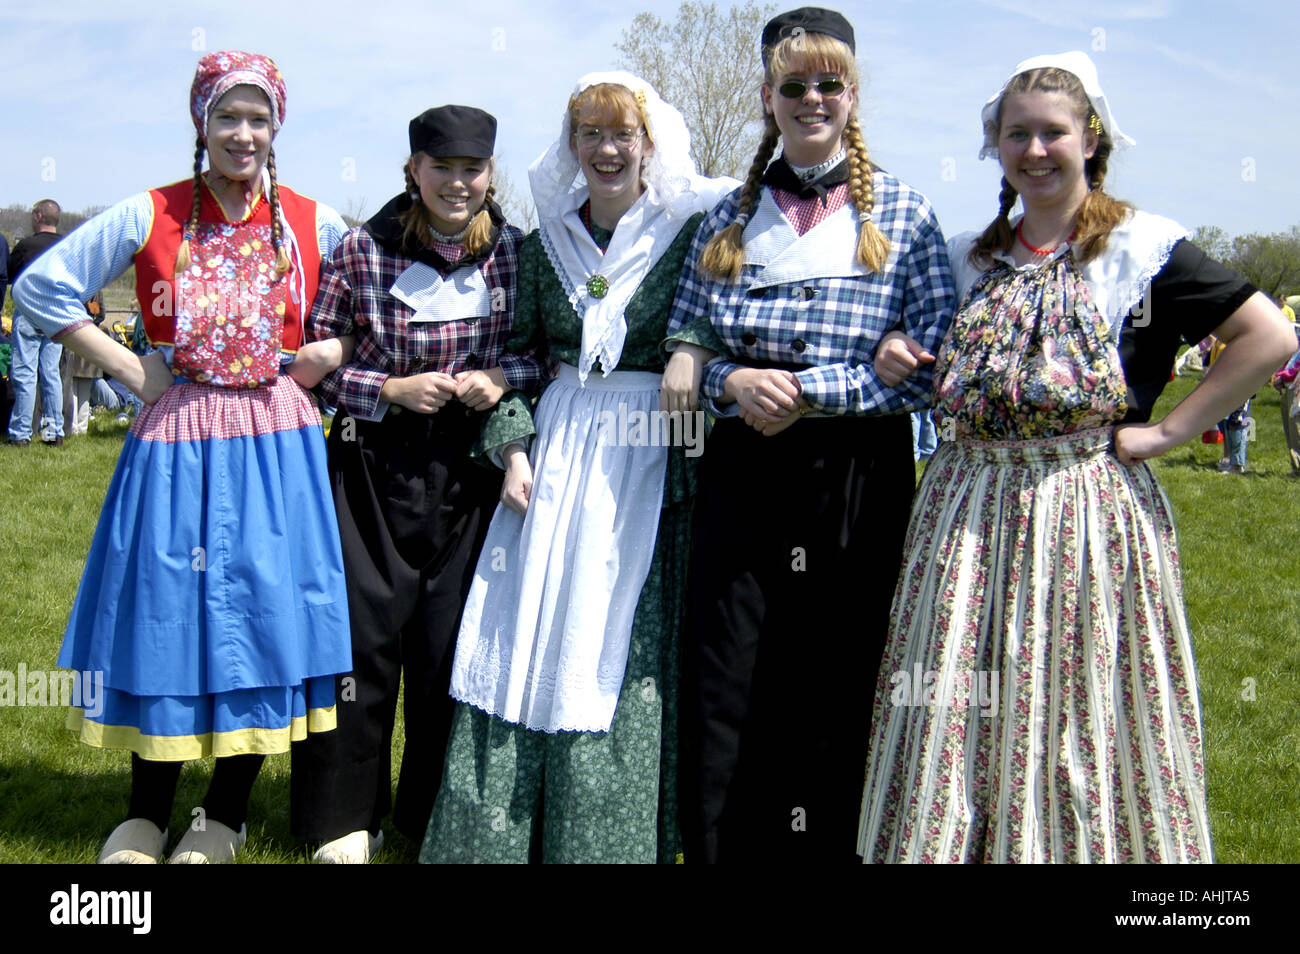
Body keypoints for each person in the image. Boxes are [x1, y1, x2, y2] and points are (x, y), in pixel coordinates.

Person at [859, 51, 1296, 863]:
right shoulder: (965, 257)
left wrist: (1167, 433)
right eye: (1016, 134)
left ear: (1091, 139)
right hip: (964, 515)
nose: (1035, 150)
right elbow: (916, 355)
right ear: (995, 145)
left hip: (1083, 512)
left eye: (1053, 133)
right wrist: (894, 350)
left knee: (1079, 706)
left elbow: (1268, 337)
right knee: (956, 706)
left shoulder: (1145, 250)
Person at [13, 50, 353, 864]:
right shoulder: (150, 212)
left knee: (267, 616)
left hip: (277, 444)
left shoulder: (316, 222)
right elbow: (40, 288)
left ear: (278, 127)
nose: (244, 133)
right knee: (164, 608)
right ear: (200, 124)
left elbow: (380, 304)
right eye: (227, 117)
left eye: (258, 118)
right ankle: (143, 813)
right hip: (178, 435)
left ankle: (223, 817)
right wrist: (132, 369)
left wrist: (326, 353)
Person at [664, 7, 956, 863]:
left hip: (852, 473)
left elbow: (934, 366)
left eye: (829, 83)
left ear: (853, 94)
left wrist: (814, 389)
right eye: (793, 85)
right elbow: (684, 340)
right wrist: (733, 380)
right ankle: (723, 849)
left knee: (835, 667)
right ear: (767, 96)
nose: (811, 98)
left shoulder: (905, 212)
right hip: (743, 464)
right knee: (728, 666)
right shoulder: (724, 215)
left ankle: (828, 848)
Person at [422, 72, 735, 864]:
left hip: (649, 456)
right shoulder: (542, 243)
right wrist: (513, 442)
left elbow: (711, 334)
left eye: (620, 133)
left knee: (617, 640)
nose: (605, 149)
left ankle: (601, 846)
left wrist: (690, 368)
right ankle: (493, 841)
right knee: (527, 628)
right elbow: (517, 358)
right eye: (589, 134)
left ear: (649, 144)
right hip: (559, 449)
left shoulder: (689, 233)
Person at [290, 105, 536, 864]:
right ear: (414, 171)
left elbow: (543, 359)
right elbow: (313, 367)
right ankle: (343, 818)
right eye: (442, 169)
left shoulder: (515, 256)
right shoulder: (361, 251)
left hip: (469, 476)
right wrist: (389, 391)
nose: (457, 184)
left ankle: (431, 815)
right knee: (360, 643)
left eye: (472, 170)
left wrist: (498, 377)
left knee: (449, 649)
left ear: (490, 176)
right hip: (372, 466)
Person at [7, 200, 66, 446]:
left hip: (29, 313)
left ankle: (21, 433)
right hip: (56, 316)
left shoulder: (26, 246)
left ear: (38, 216)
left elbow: (11, 276)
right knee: (51, 374)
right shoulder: (67, 246)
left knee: (25, 374)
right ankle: (54, 432)